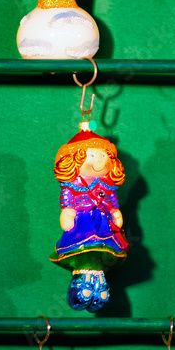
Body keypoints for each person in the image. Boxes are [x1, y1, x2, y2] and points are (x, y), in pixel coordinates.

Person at [50, 126, 128, 312]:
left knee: (104, 249)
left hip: (104, 223)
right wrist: (68, 212)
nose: (99, 159)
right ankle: (82, 280)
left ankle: (98, 279)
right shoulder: (73, 184)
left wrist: (115, 212)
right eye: (92, 155)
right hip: (83, 223)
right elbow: (67, 199)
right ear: (74, 160)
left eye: (103, 155)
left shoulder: (107, 184)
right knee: (84, 248)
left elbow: (112, 200)